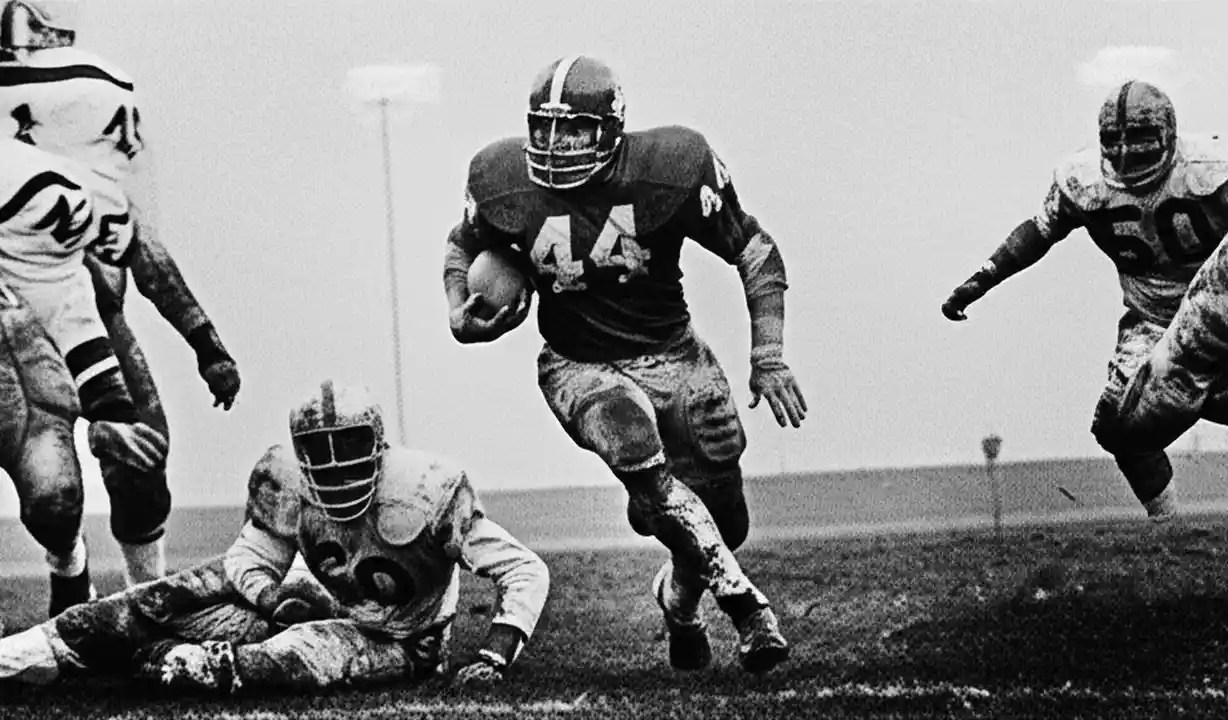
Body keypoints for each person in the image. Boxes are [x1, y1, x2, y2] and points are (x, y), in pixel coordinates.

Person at [442, 54, 805, 674]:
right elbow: (463, 244)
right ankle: (748, 609)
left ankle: (678, 601)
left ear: (610, 128)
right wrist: (458, 309)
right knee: (640, 454)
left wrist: (768, 355)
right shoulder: (500, 179)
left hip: (675, 352)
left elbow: (756, 251)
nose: (556, 146)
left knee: (725, 516)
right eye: (543, 129)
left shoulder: (672, 168)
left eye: (575, 130)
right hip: (578, 363)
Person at [0, 379, 551, 693]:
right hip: (315, 593)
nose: (334, 467)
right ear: (298, 452)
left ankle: (156, 662)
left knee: (289, 656)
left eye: (350, 446)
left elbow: (524, 569)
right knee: (169, 594)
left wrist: (495, 654)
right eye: (319, 452)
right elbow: (246, 560)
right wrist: (270, 596)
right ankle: (29, 653)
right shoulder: (285, 478)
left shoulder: (427, 491)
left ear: (380, 445)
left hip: (402, 636)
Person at [941, 79, 1228, 521]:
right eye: (1113, 140)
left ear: (1170, 134)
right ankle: (1168, 527)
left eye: (1138, 138)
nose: (1123, 153)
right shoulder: (1082, 181)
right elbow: (1038, 233)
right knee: (1119, 428)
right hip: (1152, 322)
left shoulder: (1219, 166)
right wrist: (981, 279)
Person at [0, 0, 242, 586]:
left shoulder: (98, 183)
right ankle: (69, 566)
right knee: (51, 499)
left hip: (102, 324)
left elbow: (145, 255)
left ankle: (146, 597)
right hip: (22, 346)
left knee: (141, 468)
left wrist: (206, 344)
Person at [0, 135, 168, 615]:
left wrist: (111, 404)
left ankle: (128, 592)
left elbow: (72, 299)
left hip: (47, 375)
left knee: (60, 501)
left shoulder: (45, 184)